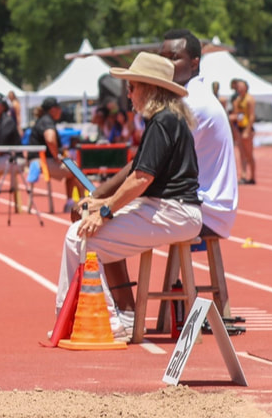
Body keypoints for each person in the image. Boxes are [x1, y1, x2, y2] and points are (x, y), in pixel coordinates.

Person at [55, 53, 202, 338]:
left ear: (150, 89)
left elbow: (142, 178)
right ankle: (102, 316)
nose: (128, 93)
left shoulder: (162, 122)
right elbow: (140, 172)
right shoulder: (166, 119)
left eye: (132, 87)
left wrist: (105, 211)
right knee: (84, 232)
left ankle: (104, 322)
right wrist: (100, 203)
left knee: (79, 238)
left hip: (173, 211)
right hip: (173, 209)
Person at [94, 29, 239, 315]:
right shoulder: (183, 99)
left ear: (195, 62)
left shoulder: (189, 104)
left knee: (105, 223)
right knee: (110, 213)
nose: (167, 63)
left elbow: (146, 166)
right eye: (163, 57)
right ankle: (126, 311)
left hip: (204, 208)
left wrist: (100, 197)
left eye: (174, 57)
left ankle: (126, 312)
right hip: (196, 202)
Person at [31, 96, 83, 212]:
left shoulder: (43, 120)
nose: (61, 111)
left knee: (71, 167)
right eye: (59, 108)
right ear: (53, 109)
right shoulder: (47, 121)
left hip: (39, 160)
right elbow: (50, 139)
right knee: (75, 168)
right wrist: (57, 156)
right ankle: (84, 202)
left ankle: (70, 202)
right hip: (41, 161)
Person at [229, 78, 256, 184]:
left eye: (241, 86)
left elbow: (252, 116)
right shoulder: (237, 100)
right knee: (241, 154)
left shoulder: (250, 99)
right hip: (239, 128)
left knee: (249, 154)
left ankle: (252, 176)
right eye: (238, 87)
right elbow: (237, 115)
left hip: (247, 128)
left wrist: (247, 130)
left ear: (246, 87)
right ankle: (243, 175)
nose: (239, 88)